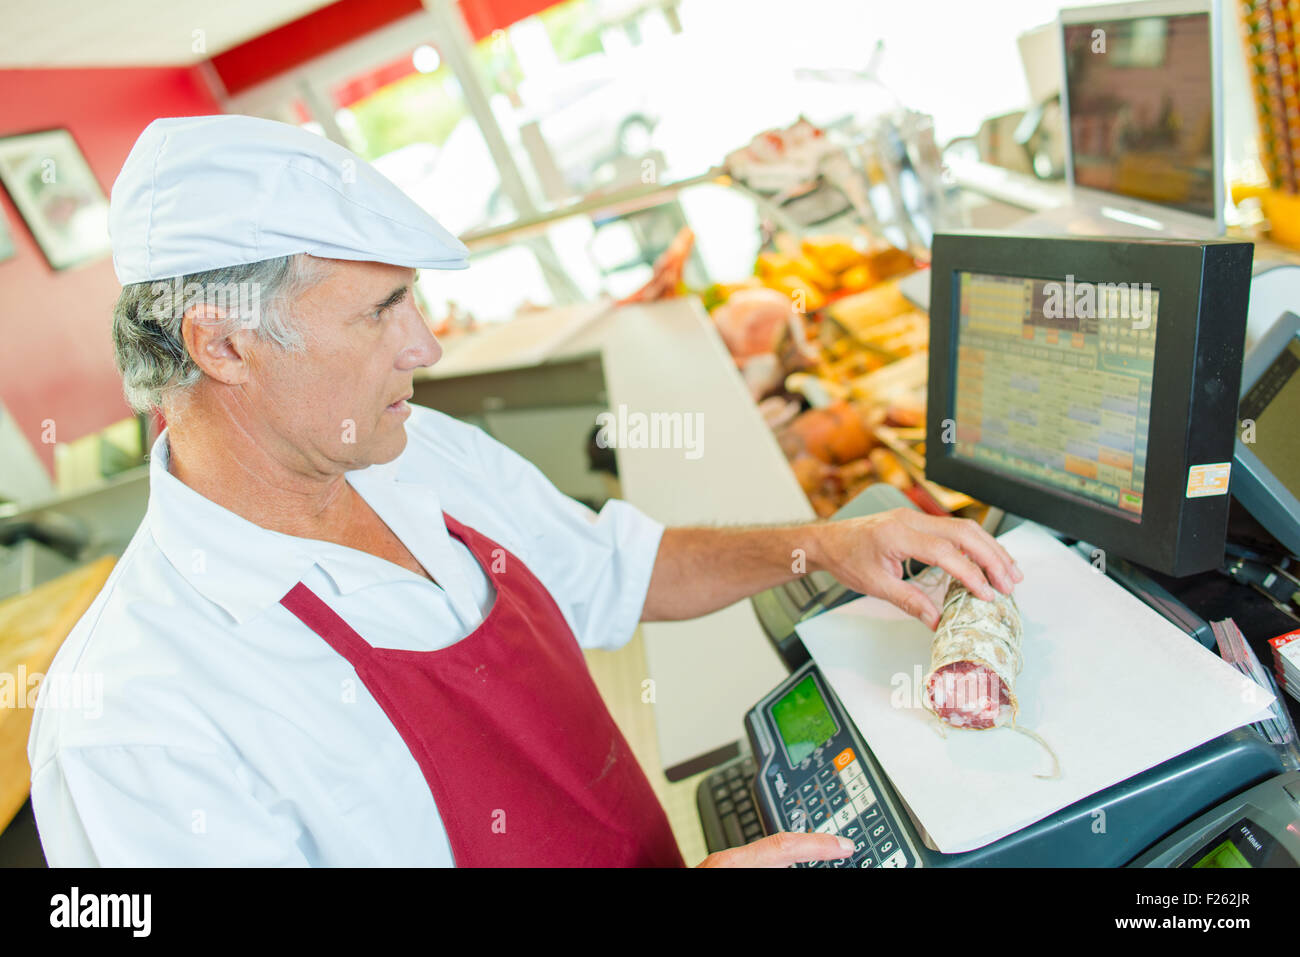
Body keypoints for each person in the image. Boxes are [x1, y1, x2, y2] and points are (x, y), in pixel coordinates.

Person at [28, 115, 1019, 867]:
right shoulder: (135, 723)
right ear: (223, 344)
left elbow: (621, 573)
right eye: (381, 312)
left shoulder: (416, 455)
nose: (426, 346)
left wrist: (820, 547)